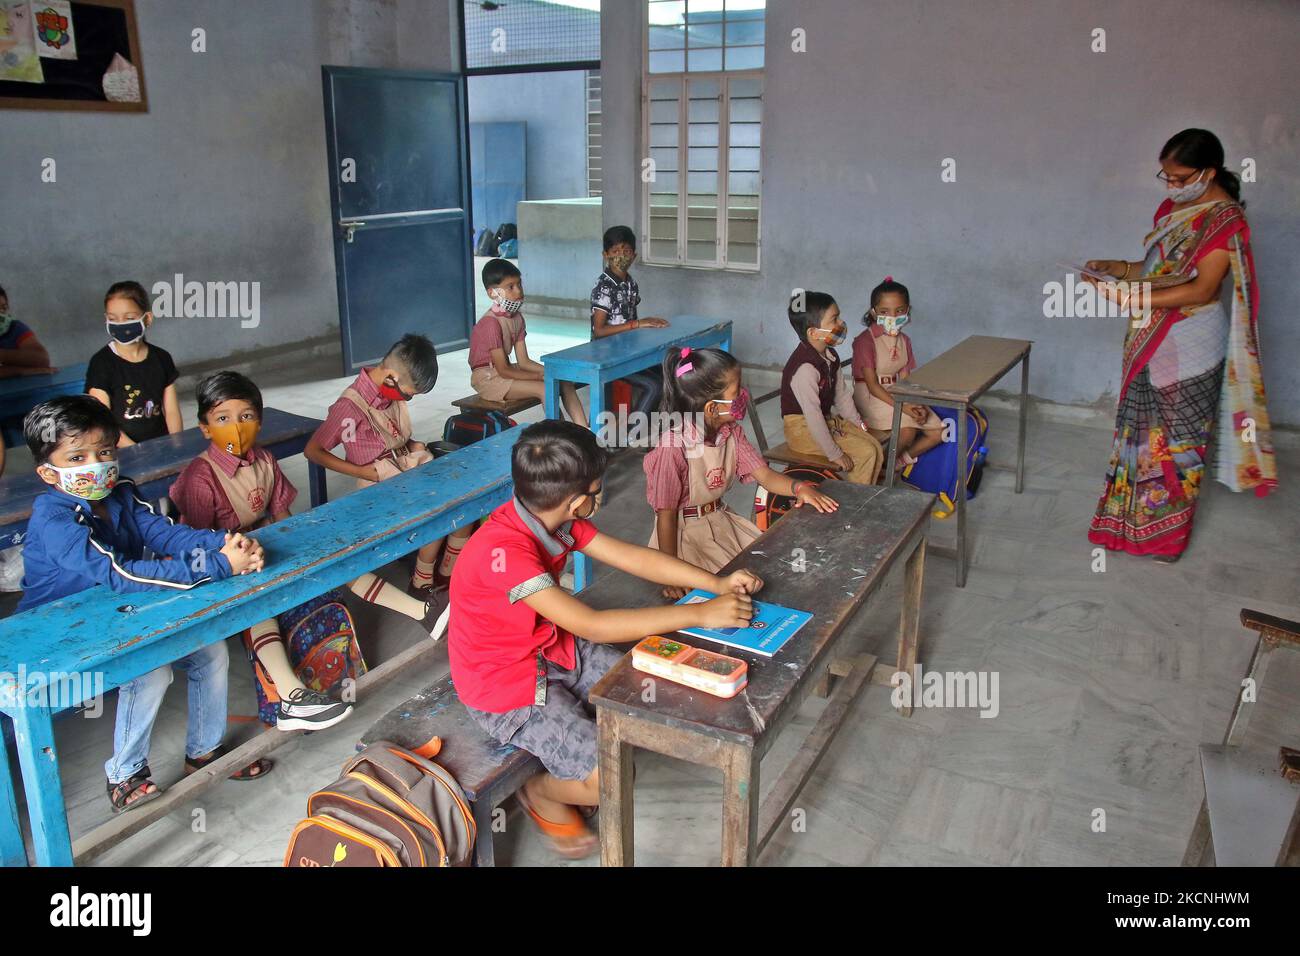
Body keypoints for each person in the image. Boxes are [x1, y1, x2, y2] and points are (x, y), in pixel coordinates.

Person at [448, 420, 762, 858]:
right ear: (578, 503)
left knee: (640, 688)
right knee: (609, 777)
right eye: (597, 490)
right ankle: (542, 793)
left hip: (551, 648)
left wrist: (716, 583)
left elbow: (634, 558)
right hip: (505, 683)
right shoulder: (505, 553)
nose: (599, 497)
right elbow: (590, 625)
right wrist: (699, 614)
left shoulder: (550, 519)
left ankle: (564, 771)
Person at [18, 396, 271, 811]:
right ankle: (124, 773)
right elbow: (122, 573)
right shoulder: (54, 519)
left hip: (119, 609)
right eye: (77, 456)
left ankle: (204, 751)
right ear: (47, 472)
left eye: (103, 452)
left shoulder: (120, 493)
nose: (95, 463)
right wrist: (221, 567)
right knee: (150, 671)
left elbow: (167, 535)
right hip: (59, 629)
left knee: (209, 649)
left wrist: (224, 543)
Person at [1084, 128, 1276, 562]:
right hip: (1151, 335)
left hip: (1190, 342)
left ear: (1207, 173)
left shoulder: (1225, 220)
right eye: (1165, 177)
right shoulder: (1173, 210)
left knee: (1177, 441)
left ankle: (1165, 538)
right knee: (1140, 433)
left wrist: (1133, 297)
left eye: (1179, 177)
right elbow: (1158, 269)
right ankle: (1126, 526)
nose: (1171, 186)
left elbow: (1202, 289)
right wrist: (1118, 268)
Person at [170, 371, 356, 731]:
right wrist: (241, 559)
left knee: (324, 579)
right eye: (222, 419)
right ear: (205, 428)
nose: (235, 428)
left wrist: (298, 554)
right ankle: (290, 698)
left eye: (246, 417)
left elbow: (283, 518)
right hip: (222, 566)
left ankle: (328, 686)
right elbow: (195, 549)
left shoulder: (265, 461)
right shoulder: (200, 478)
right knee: (262, 603)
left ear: (259, 420)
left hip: (263, 550)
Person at [646, 346, 838, 598]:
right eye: (736, 393)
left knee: (769, 573)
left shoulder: (731, 432)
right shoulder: (672, 447)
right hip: (683, 538)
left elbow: (765, 476)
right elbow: (666, 515)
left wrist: (799, 488)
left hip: (720, 521)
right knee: (733, 593)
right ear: (712, 409)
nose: (743, 396)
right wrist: (669, 573)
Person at [305, 333, 469, 595]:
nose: (407, 400)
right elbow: (313, 451)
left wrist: (412, 443)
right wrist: (361, 471)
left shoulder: (388, 393)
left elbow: (388, 435)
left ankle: (449, 572)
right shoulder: (349, 407)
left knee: (465, 501)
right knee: (438, 510)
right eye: (409, 395)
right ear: (391, 377)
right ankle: (421, 581)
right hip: (377, 481)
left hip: (404, 466)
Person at [780, 290, 883, 484]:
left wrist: (857, 424)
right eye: (834, 319)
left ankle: (866, 495)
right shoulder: (805, 368)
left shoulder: (831, 356)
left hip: (825, 421)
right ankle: (855, 507)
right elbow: (812, 415)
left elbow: (841, 396)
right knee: (866, 453)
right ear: (813, 332)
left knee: (874, 445)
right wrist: (834, 453)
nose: (841, 324)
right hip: (801, 429)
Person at [469, 258, 587, 427]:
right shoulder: (490, 324)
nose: (518, 291)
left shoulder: (517, 318)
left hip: (504, 372)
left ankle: (584, 431)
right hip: (487, 378)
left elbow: (523, 361)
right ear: (492, 293)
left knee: (564, 380)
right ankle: (563, 437)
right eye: (510, 287)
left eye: (519, 284)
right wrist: (540, 375)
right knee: (545, 389)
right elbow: (503, 370)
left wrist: (552, 372)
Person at [851, 277, 944, 471]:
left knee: (939, 432)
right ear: (874, 312)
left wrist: (917, 404)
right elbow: (872, 386)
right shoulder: (865, 341)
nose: (893, 316)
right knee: (907, 432)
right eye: (885, 312)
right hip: (871, 396)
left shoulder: (905, 341)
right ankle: (876, 471)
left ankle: (894, 465)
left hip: (896, 392)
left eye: (899, 311)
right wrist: (905, 408)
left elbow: (905, 380)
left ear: (908, 310)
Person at [86, 281, 183, 446]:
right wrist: (137, 450)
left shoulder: (162, 358)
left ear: (147, 319)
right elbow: (102, 421)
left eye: (129, 318)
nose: (121, 324)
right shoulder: (101, 363)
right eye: (113, 319)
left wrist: (177, 444)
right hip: (121, 452)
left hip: (161, 446)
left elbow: (172, 411)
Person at [590, 225, 670, 417]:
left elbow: (630, 317)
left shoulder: (630, 283)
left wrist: (647, 325)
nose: (621, 256)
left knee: (668, 374)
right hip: (608, 356)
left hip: (629, 352)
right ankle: (632, 438)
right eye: (616, 251)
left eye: (626, 251)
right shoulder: (604, 286)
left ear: (634, 255)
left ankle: (655, 427)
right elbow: (598, 331)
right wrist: (639, 324)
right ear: (605, 255)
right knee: (654, 386)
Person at [0, 284, 52, 377]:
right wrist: (24, 370)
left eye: (3, 308)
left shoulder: (14, 328)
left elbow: (42, 359)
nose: (1, 315)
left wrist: (2, 355)